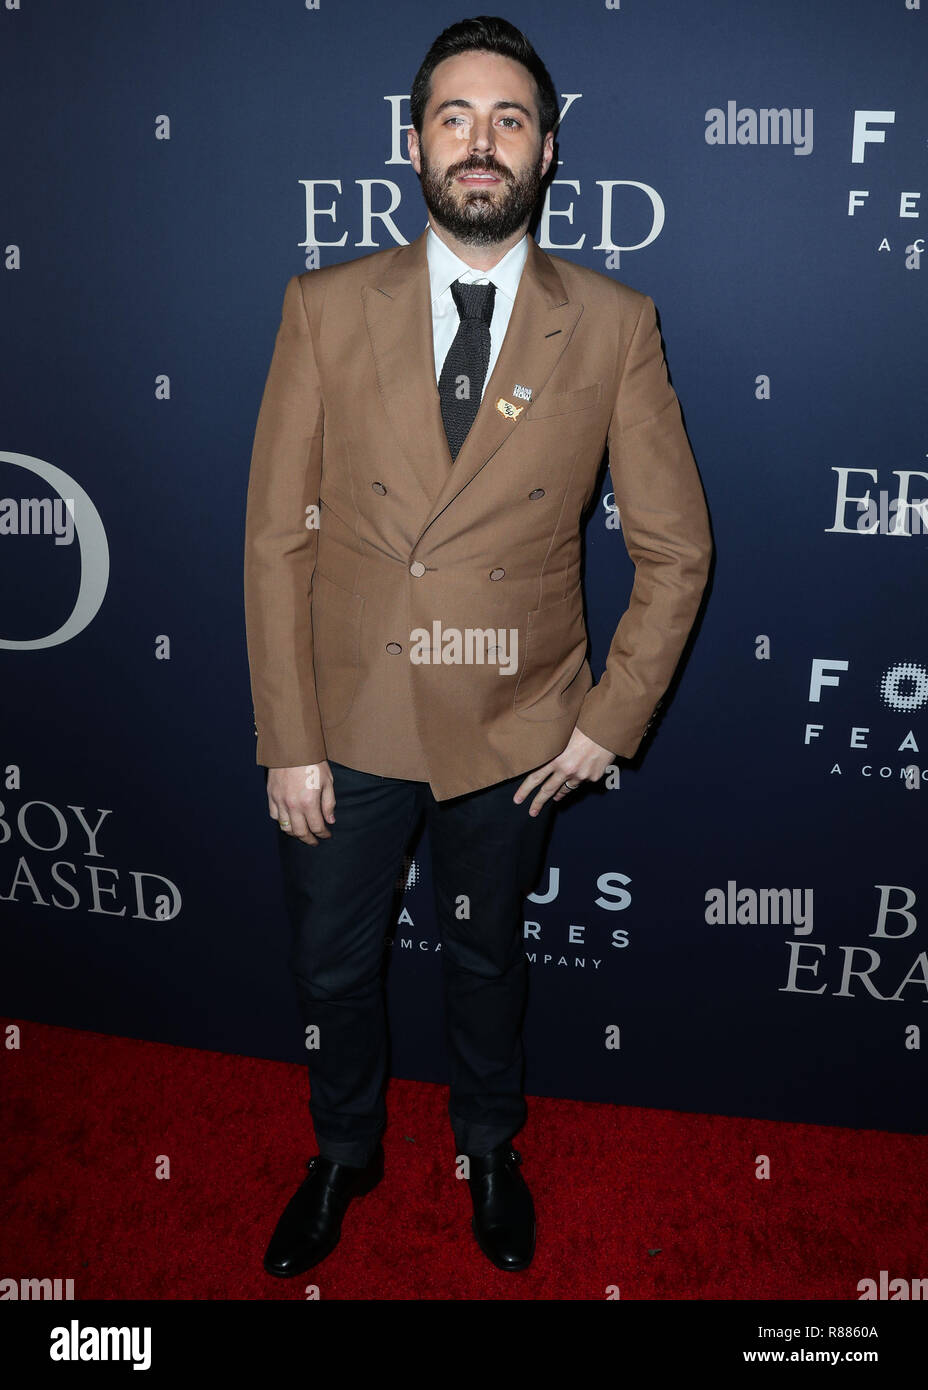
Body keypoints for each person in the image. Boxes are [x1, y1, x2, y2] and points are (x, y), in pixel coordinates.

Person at [243, 14, 712, 1277]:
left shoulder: (614, 322)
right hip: (347, 719)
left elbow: (674, 549)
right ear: (412, 145)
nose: (481, 142)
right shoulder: (323, 306)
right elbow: (276, 539)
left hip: (515, 724)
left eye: (509, 120)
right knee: (332, 967)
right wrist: (288, 737)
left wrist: (607, 722)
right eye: (455, 116)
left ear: (549, 151)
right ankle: (343, 1149)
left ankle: (488, 1146)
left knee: (486, 957)